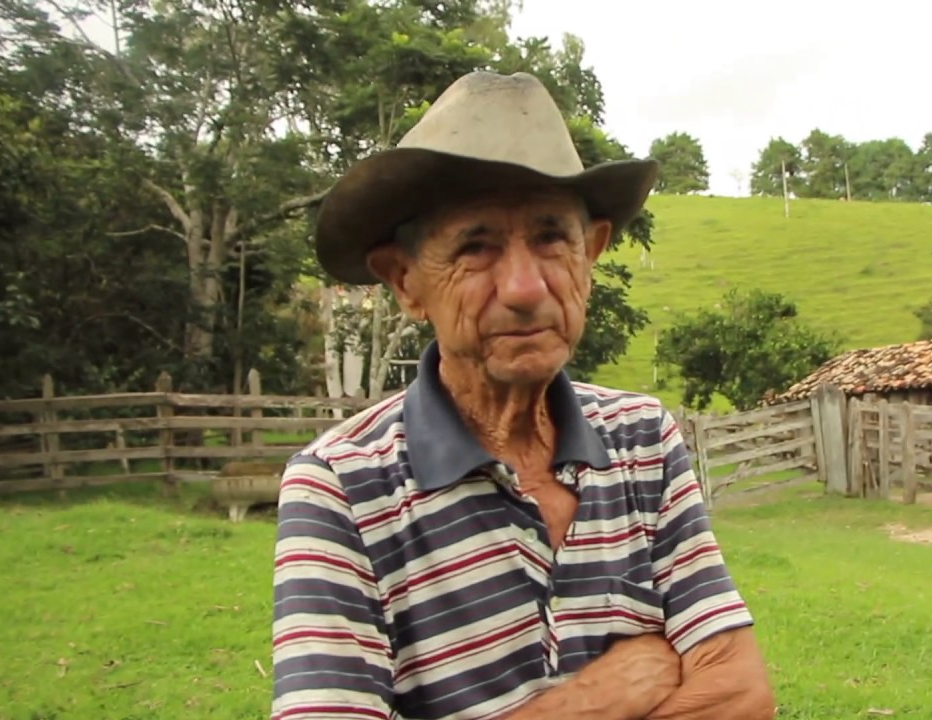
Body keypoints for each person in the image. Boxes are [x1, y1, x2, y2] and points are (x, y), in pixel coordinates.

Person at [270, 71, 775, 720]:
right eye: (475, 248)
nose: (525, 287)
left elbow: (739, 695)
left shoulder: (644, 438)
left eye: (551, 239)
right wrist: (596, 698)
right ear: (406, 282)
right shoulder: (340, 485)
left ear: (589, 255)